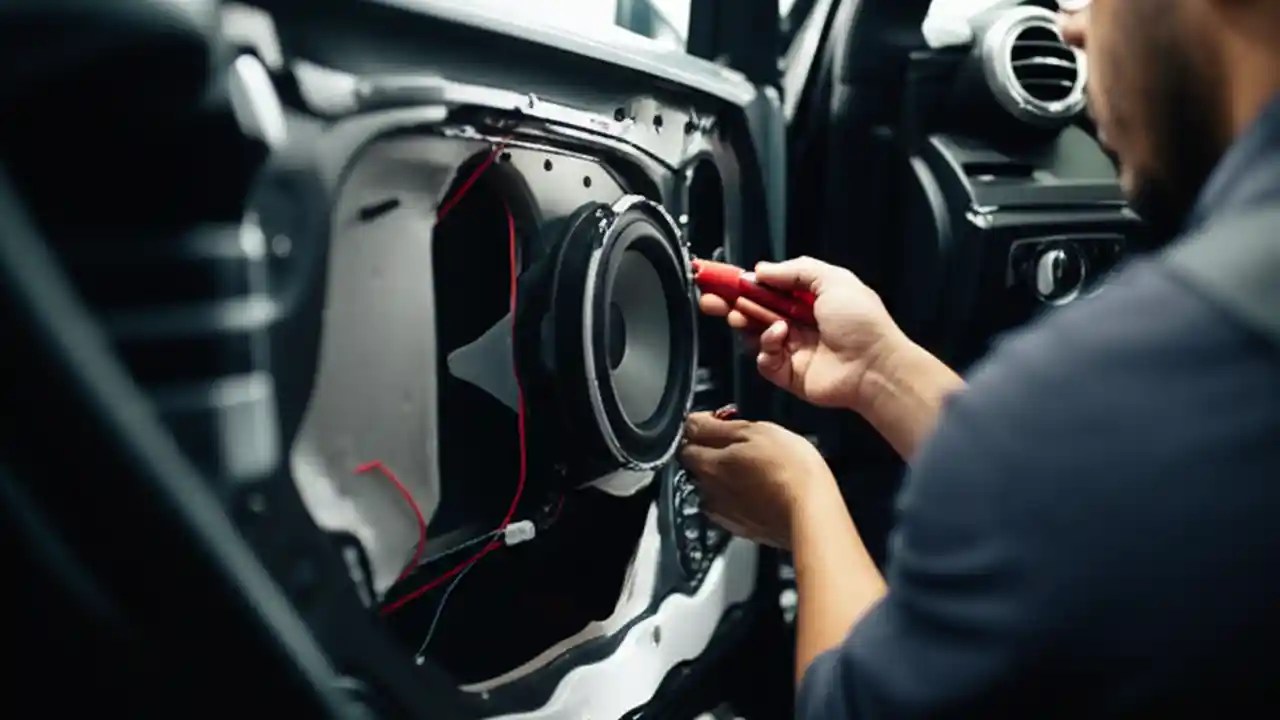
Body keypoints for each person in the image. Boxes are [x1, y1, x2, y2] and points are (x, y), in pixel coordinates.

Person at [679, 0, 1280, 716]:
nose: (1072, 29)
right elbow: (1113, 510)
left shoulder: (1098, 391)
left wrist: (803, 500)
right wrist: (880, 370)